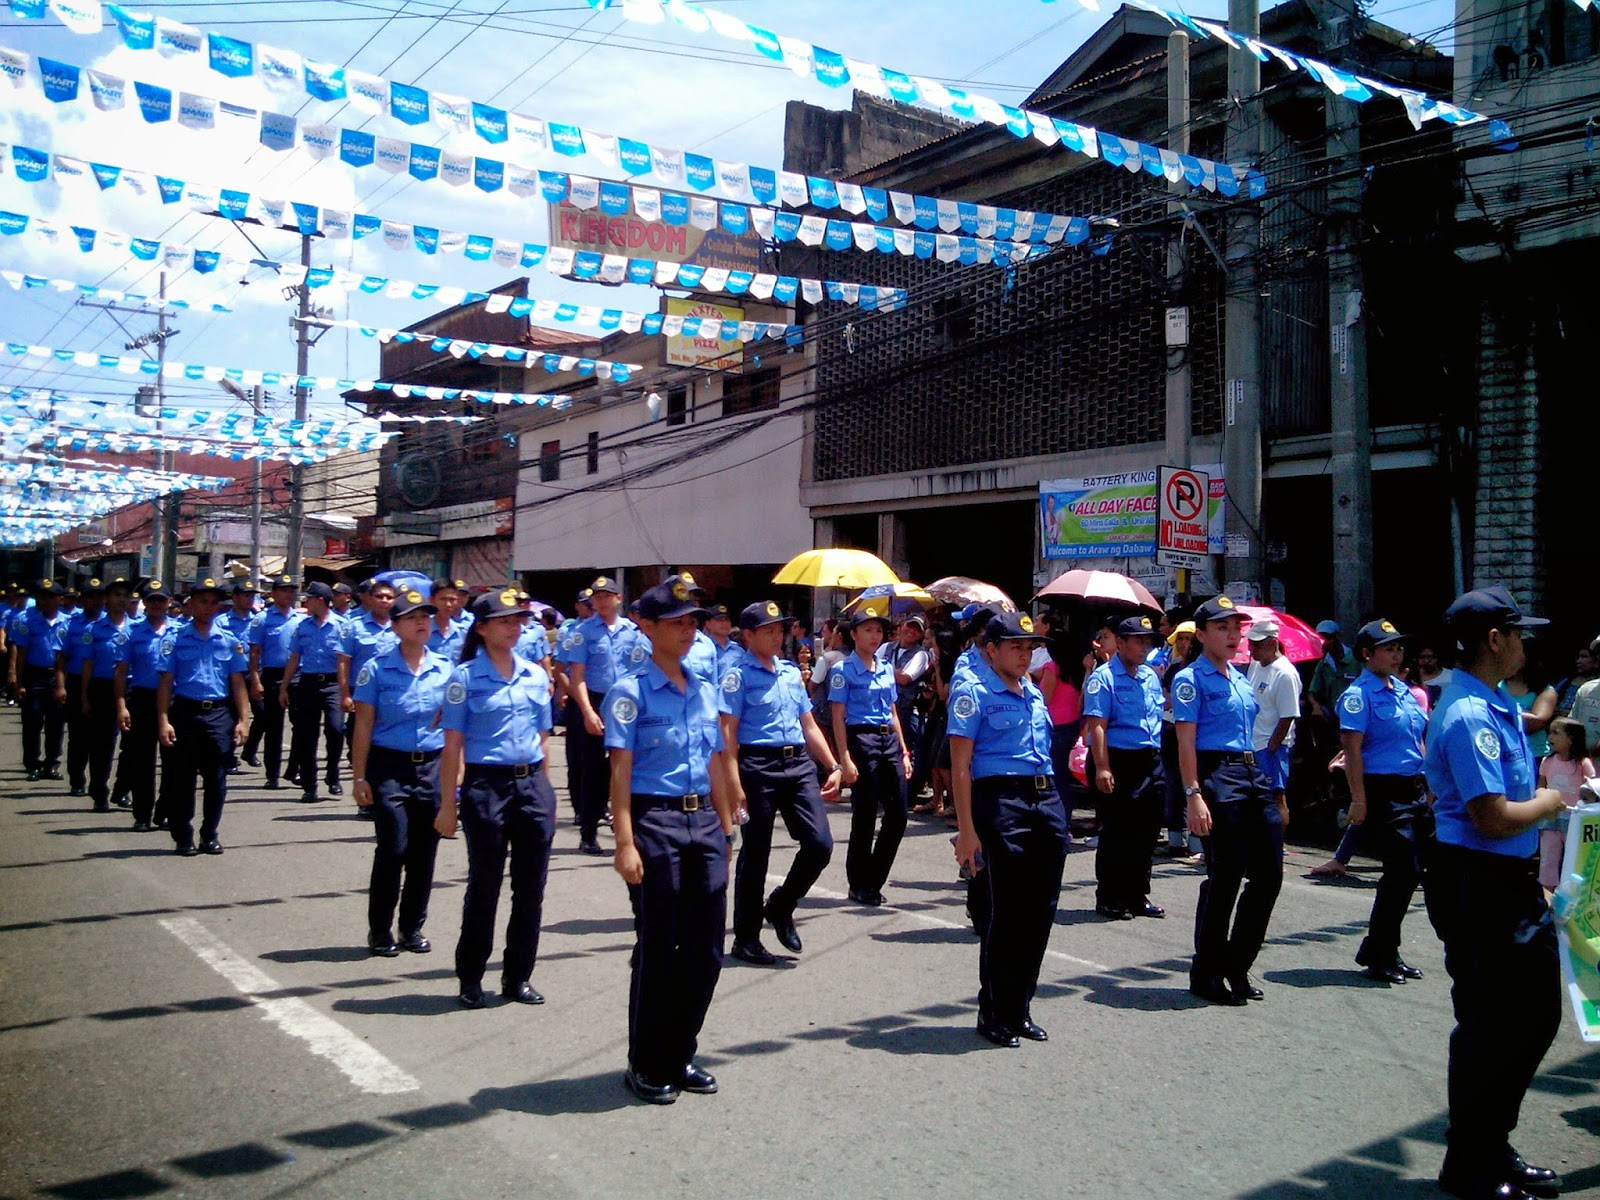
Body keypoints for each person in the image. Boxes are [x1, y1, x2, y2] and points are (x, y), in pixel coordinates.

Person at [1421, 585, 1567, 1200]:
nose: (1524, 645)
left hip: (1504, 879)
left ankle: (1490, 1143)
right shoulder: (1468, 714)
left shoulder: (1494, 703)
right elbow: (1493, 816)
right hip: (1476, 878)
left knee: (1531, 1016)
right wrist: (1554, 802)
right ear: (1493, 641)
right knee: (1491, 1022)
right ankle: (1470, 1163)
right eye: (1518, 633)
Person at [603, 576, 735, 1104]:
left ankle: (681, 1052)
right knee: (659, 946)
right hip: (654, 823)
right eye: (676, 622)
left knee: (705, 950)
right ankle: (646, 1061)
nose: (687, 630)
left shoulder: (703, 689)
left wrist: (727, 828)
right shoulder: (629, 691)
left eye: (692, 622)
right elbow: (620, 770)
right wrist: (624, 841)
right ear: (648, 626)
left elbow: (716, 762)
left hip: (702, 820)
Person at [949, 610, 1068, 1047]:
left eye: (1029, 647)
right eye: (1015, 646)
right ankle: (994, 1010)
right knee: (1009, 911)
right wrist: (967, 830)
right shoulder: (973, 690)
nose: (1024, 654)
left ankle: (1020, 1010)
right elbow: (960, 766)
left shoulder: (1032, 693)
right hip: (1001, 801)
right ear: (990, 649)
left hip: (1045, 799)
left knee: (1042, 909)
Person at [436, 587, 557, 1009]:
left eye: (518, 621)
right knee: (485, 885)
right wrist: (448, 804)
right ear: (483, 629)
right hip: (486, 786)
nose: (514, 628)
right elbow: (452, 745)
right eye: (505, 621)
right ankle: (471, 977)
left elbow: (543, 736)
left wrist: (543, 788)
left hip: (532, 786)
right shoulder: (464, 677)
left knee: (531, 888)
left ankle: (517, 976)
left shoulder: (536, 675)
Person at [1173, 595, 1283, 1007]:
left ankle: (1237, 963)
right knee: (1226, 876)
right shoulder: (1190, 679)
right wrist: (1193, 794)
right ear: (1200, 635)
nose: (1234, 634)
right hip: (1216, 774)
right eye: (1222, 628)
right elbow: (1185, 741)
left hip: (1252, 770)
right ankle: (1207, 971)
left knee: (1269, 874)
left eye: (1236, 627)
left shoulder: (1241, 676)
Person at [719, 600, 842, 966]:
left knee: (819, 843)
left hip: (797, 764)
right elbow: (728, 734)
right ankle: (746, 938)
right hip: (757, 766)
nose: (777, 636)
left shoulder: (789, 673)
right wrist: (732, 782)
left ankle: (781, 904)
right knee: (756, 852)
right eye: (769, 630)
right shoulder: (737, 675)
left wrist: (832, 764)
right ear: (750, 635)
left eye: (780, 629)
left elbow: (808, 725)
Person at [351, 586, 451, 957]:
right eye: (412, 617)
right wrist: (359, 777)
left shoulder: (445, 668)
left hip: (432, 768)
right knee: (393, 847)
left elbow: (455, 724)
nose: (422, 623)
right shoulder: (376, 669)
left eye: (425, 616)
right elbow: (363, 725)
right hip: (389, 767)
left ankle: (412, 927)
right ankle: (380, 929)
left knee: (425, 852)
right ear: (395, 627)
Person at [1337, 619, 1433, 984]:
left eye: (1398, 648)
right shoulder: (1358, 695)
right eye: (1389, 649)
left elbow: (1417, 739)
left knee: (1409, 873)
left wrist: (1430, 783)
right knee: (1402, 869)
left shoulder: (1404, 691)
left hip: (1413, 788)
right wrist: (1358, 800)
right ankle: (1379, 951)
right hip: (1382, 791)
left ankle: (1383, 947)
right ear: (1366, 654)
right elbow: (1353, 752)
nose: (1397, 654)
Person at [1082, 614, 1167, 921]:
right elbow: (1098, 726)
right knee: (1117, 831)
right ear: (1120, 643)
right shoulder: (1103, 678)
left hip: (1150, 759)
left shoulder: (1150, 676)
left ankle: (1137, 894)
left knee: (1146, 830)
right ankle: (1109, 896)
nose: (1144, 647)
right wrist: (1103, 767)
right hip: (1118, 759)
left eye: (1148, 641)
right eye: (1138, 641)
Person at [156, 577, 249, 856]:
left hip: (219, 714)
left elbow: (237, 683)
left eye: (213, 603)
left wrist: (244, 720)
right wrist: (163, 720)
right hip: (185, 712)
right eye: (202, 601)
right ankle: (183, 835)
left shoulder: (229, 642)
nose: (208, 607)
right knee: (182, 779)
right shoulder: (174, 640)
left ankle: (210, 834)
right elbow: (165, 684)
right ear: (191, 604)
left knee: (216, 778)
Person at [830, 608, 912, 907]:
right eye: (867, 630)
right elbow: (838, 716)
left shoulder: (885, 667)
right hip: (860, 738)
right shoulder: (843, 670)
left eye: (878, 631)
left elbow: (892, 713)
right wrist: (844, 758)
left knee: (899, 814)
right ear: (853, 635)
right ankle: (859, 883)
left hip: (888, 738)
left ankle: (874, 877)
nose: (874, 636)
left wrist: (903, 750)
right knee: (864, 815)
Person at [560, 575, 644, 856]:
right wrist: (586, 711)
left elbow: (638, 673)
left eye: (608, 595)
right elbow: (577, 676)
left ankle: (627, 830)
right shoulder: (583, 632)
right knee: (592, 771)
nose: (602, 601)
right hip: (595, 701)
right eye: (597, 597)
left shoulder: (633, 632)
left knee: (625, 768)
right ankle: (588, 832)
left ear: (619, 599)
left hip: (625, 704)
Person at [112, 580, 174, 832]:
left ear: (169, 602)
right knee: (142, 761)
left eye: (162, 599)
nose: (157, 604)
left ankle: (165, 811)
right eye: (152, 600)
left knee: (173, 763)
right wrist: (121, 706)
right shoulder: (131, 633)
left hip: (173, 700)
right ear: (144, 603)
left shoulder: (180, 631)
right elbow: (120, 672)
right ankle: (142, 814)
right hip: (142, 699)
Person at [281, 582, 346, 804]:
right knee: (306, 736)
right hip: (308, 683)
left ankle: (333, 774)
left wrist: (346, 691)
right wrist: (284, 687)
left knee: (336, 729)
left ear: (320, 600)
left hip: (333, 684)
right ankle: (310, 786)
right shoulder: (303, 627)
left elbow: (344, 662)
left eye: (308, 599)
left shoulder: (341, 626)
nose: (305, 603)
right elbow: (294, 658)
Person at [80, 579, 133, 814]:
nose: (121, 599)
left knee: (132, 745)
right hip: (102, 688)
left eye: (125, 595)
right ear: (107, 599)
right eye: (117, 595)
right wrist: (84, 696)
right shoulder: (94, 630)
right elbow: (87, 665)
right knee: (103, 744)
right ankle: (99, 791)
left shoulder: (137, 627)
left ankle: (122, 789)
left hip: (131, 688)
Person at [9, 579, 69, 781]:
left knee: (56, 723)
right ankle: (32, 764)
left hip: (58, 676)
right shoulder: (28, 620)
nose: (44, 600)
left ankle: (51, 764)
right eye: (42, 596)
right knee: (32, 721)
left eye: (50, 596)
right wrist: (17, 680)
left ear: (60, 600)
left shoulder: (67, 621)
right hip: (34, 675)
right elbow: (20, 652)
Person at [245, 576, 302, 787]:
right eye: (284, 590)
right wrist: (255, 680)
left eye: (291, 590)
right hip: (272, 675)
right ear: (274, 593)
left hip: (297, 675)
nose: (289, 594)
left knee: (301, 724)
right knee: (274, 727)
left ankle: (294, 768)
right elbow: (254, 653)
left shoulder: (299, 619)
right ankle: (272, 774)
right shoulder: (262, 619)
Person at [1245, 618, 1300, 829]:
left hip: (1272, 746)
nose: (1252, 649)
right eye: (1251, 644)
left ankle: (1278, 843)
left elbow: (1288, 715)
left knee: (1276, 796)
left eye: (1257, 644)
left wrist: (1273, 746)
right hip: (1253, 742)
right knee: (1256, 798)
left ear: (1273, 642)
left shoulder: (1285, 673)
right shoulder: (1255, 667)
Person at [1157, 620, 1201, 859]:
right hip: (1169, 730)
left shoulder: (1201, 670)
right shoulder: (1174, 669)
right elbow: (1164, 697)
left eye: (1188, 639)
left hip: (1193, 735)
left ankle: (1198, 842)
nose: (1184, 644)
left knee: (1194, 785)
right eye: (1180, 639)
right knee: (1173, 783)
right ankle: (1176, 839)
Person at [59, 578, 105, 796]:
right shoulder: (71, 624)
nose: (95, 600)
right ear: (82, 599)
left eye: (99, 596)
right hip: (76, 683)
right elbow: (61, 658)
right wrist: (60, 686)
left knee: (101, 739)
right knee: (78, 736)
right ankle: (77, 779)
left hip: (103, 684)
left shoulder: (111, 622)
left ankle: (100, 784)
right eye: (90, 596)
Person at [1536, 717, 1592, 895]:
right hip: (1551, 817)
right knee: (1548, 857)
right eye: (1550, 731)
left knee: (1574, 856)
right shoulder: (1547, 761)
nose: (1550, 736)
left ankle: (1574, 892)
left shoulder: (1582, 763)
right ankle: (1547, 892)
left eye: (1556, 732)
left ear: (1571, 738)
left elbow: (1592, 788)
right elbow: (1541, 786)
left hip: (1574, 818)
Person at [216, 580, 259, 774]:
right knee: (231, 716)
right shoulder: (222, 621)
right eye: (246, 595)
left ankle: (249, 750)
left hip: (253, 672)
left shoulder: (258, 619)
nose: (250, 599)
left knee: (264, 713)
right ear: (235, 598)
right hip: (230, 674)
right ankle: (227, 756)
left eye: (252, 595)